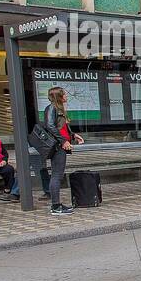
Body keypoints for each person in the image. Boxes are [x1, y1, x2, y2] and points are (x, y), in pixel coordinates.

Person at [38, 86, 83, 216]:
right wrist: (64, 141)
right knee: (57, 175)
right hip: (58, 147)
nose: (66, 96)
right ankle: (56, 206)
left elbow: (61, 128)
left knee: (57, 175)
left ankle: (56, 205)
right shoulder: (52, 108)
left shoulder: (58, 109)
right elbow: (50, 126)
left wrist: (73, 136)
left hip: (61, 145)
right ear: (59, 96)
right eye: (64, 94)